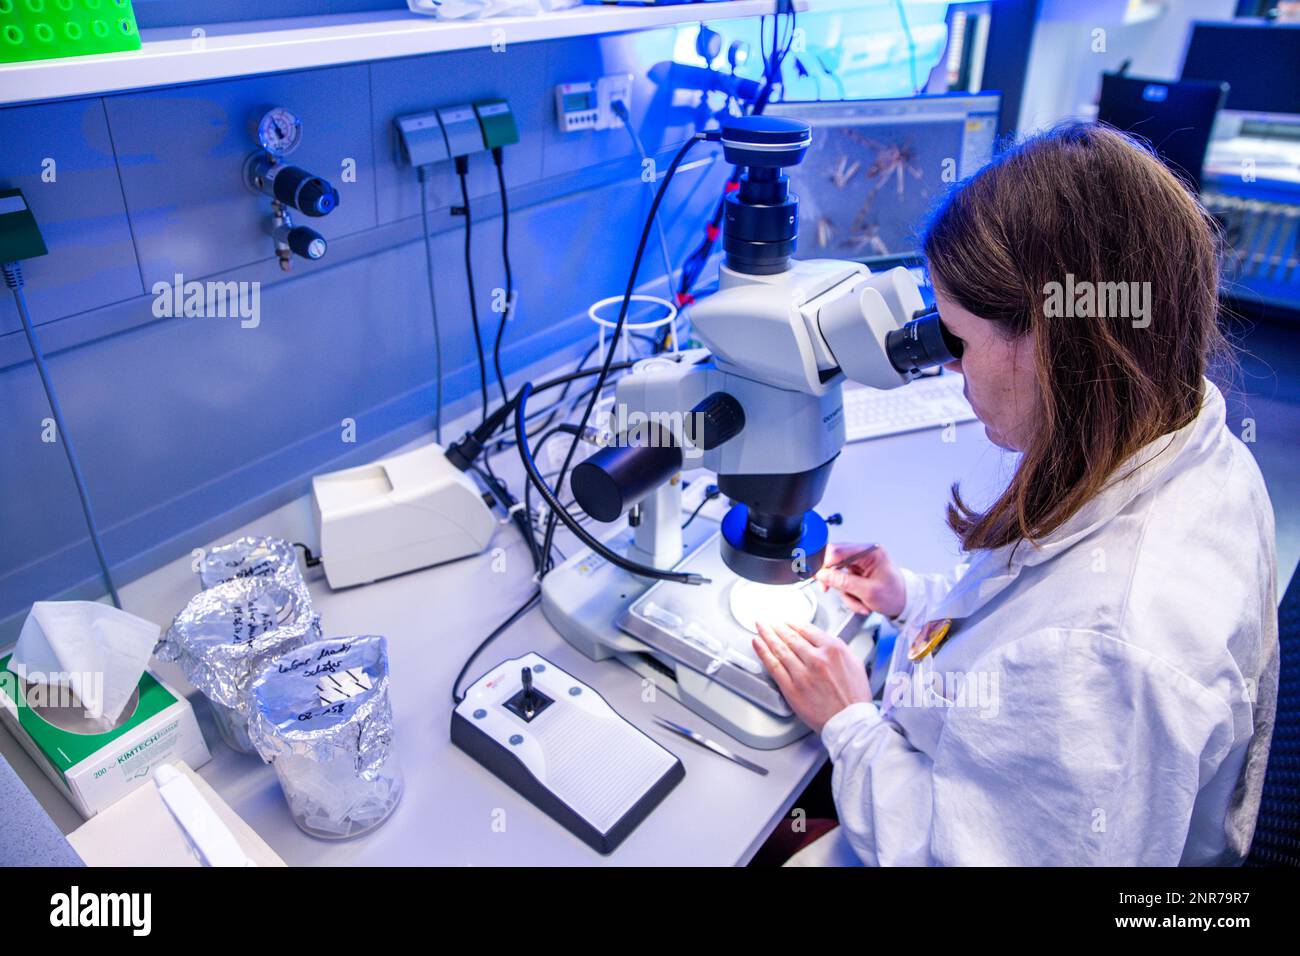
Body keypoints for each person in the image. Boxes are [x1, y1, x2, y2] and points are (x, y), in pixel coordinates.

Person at [752, 123, 1279, 866]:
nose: (948, 370)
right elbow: (1030, 619)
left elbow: (955, 853)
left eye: (957, 342)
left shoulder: (1105, 659)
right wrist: (919, 602)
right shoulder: (1182, 435)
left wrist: (848, 723)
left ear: (1055, 345)